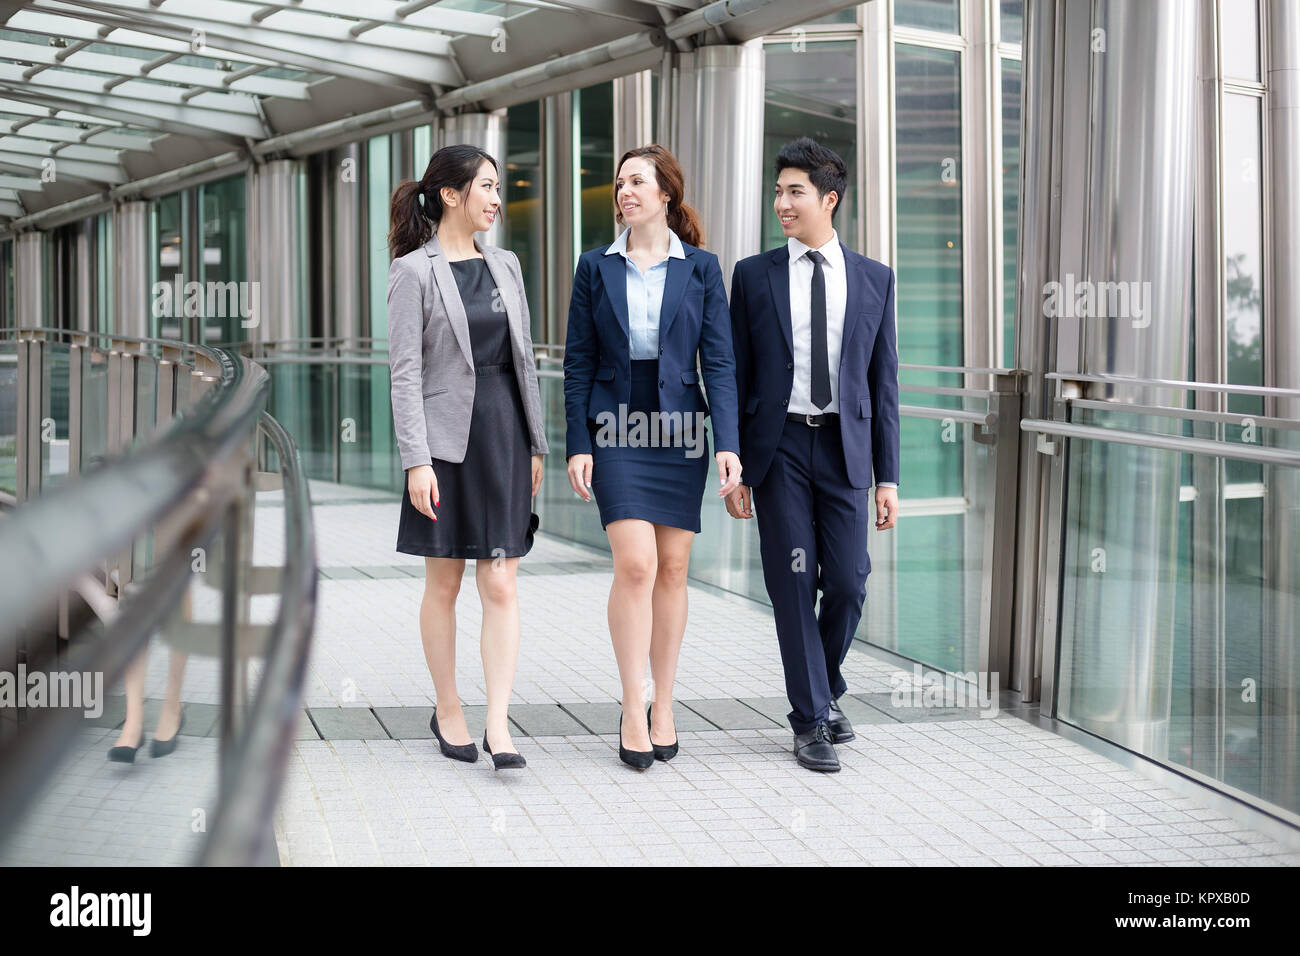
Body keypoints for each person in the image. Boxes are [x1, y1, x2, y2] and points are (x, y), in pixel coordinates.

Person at [563, 145, 742, 770]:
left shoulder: (702, 268)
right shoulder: (595, 267)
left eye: (637, 181)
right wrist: (578, 442)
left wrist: (728, 444)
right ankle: (632, 703)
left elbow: (718, 360)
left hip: (680, 428)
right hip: (616, 423)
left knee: (671, 567)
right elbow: (578, 362)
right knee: (635, 565)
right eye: (619, 183)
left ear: (666, 193)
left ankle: (664, 702)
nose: (624, 192)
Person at [725, 137, 900, 773]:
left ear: (830, 198)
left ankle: (823, 690)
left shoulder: (875, 278)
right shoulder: (753, 275)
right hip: (781, 449)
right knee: (793, 581)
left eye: (795, 191)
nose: (782, 203)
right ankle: (809, 720)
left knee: (850, 583)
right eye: (778, 191)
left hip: (847, 449)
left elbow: (884, 384)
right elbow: (737, 373)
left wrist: (890, 479)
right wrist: (737, 463)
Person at [387, 144, 549, 771]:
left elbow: (525, 363)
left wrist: (536, 442)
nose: (495, 199)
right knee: (446, 579)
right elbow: (404, 373)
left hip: (504, 435)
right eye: (485, 186)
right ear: (450, 194)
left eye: (497, 187)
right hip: (445, 443)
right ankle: (448, 706)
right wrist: (416, 460)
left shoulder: (506, 266)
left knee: (501, 579)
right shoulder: (414, 271)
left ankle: (499, 723)